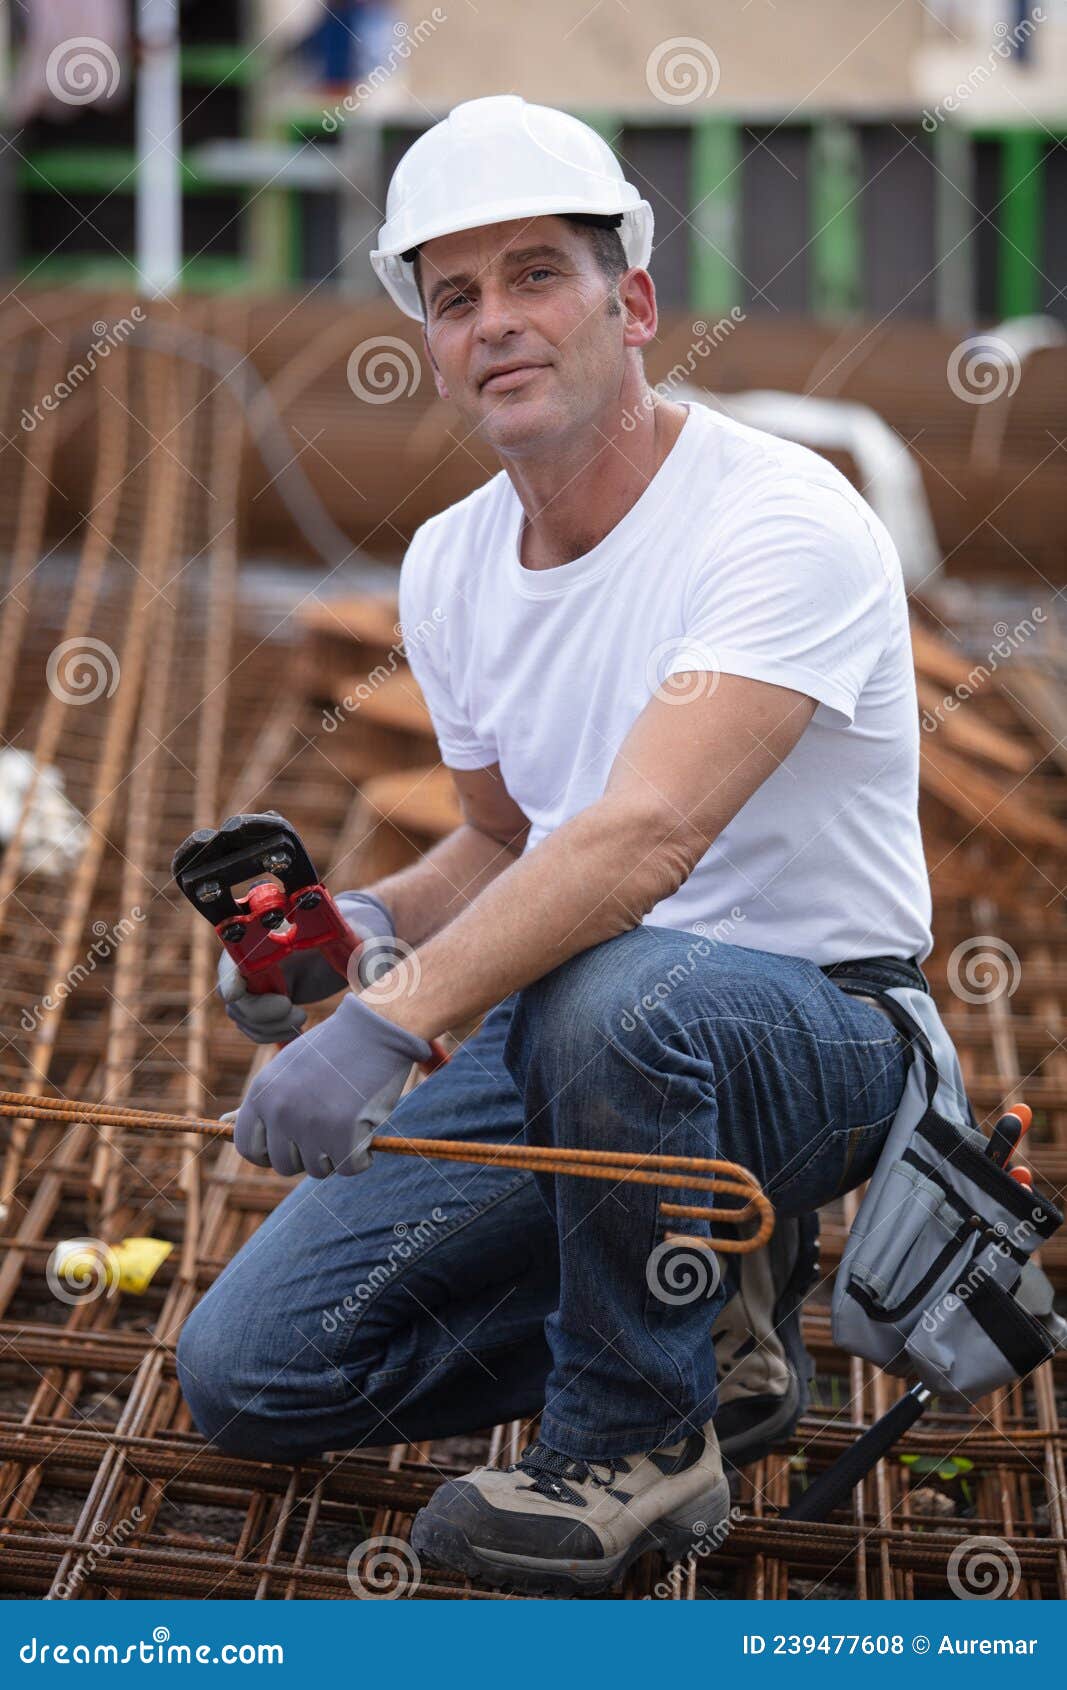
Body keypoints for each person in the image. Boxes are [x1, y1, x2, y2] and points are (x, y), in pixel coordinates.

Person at [175, 95, 931, 1597]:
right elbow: (497, 841)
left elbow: (642, 839)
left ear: (632, 302)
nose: (496, 321)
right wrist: (348, 938)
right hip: (574, 1032)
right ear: (435, 344)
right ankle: (698, 1294)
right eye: (456, 297)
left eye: (537, 274)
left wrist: (390, 1027)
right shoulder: (452, 561)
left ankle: (635, 1433)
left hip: (812, 1032)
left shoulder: (780, 522)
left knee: (616, 987)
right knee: (248, 1374)